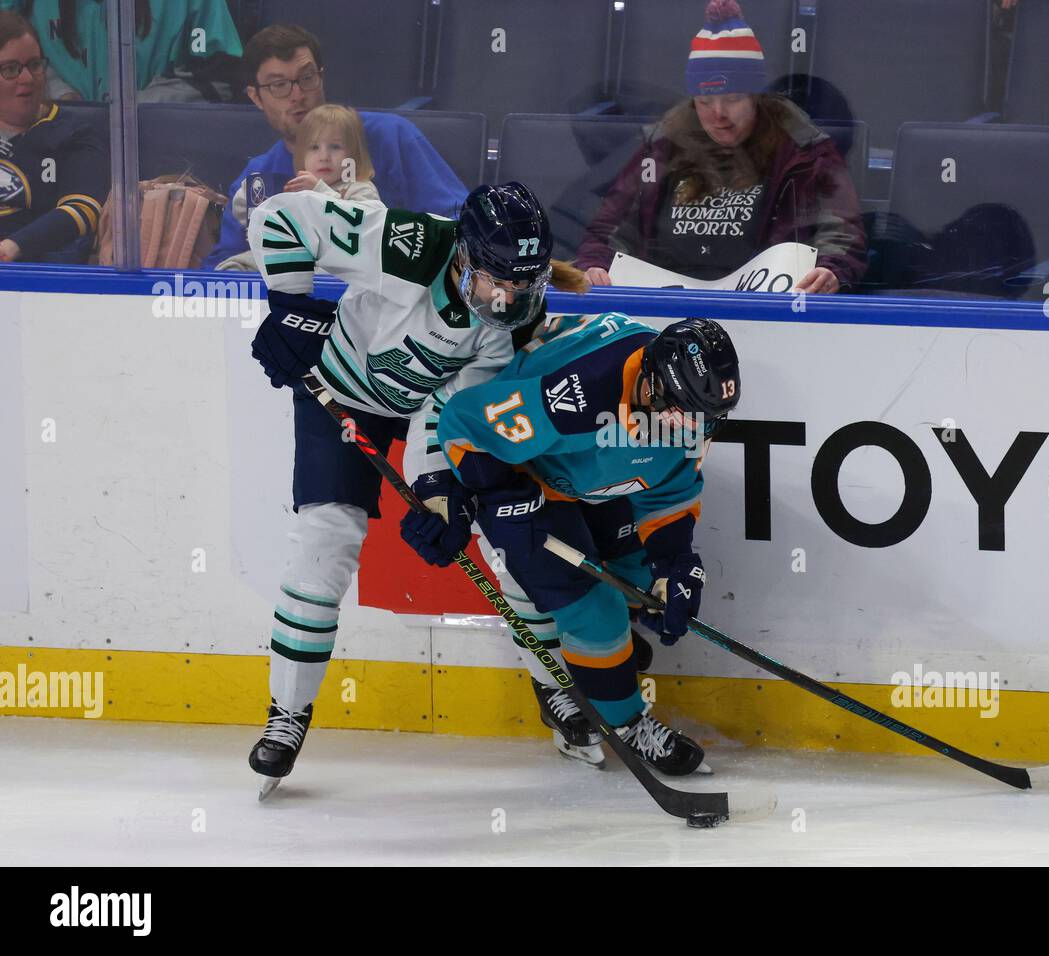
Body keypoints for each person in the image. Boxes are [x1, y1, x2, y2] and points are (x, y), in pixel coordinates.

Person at [243, 181, 588, 793]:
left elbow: (454, 408)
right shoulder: (411, 244)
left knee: (508, 533)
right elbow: (281, 217)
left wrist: (438, 492)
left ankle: (556, 686)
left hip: (427, 407)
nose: (507, 299)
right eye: (497, 282)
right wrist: (289, 308)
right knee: (323, 542)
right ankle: (287, 712)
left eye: (523, 284)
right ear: (464, 257)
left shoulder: (514, 319)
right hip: (338, 391)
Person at [403, 314, 742, 776]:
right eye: (682, 413)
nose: (692, 429)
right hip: (513, 467)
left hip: (575, 472)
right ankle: (624, 722)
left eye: (704, 417)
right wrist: (499, 492)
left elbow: (666, 496)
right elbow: (464, 423)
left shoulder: (687, 413)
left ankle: (597, 665)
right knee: (594, 608)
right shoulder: (579, 394)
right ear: (652, 385)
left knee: (641, 582)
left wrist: (674, 562)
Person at [575, 0, 865, 293]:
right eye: (705, 101)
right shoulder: (662, 148)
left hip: (762, 306)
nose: (718, 114)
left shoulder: (803, 151)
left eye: (732, 99)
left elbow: (841, 231)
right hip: (664, 304)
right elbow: (610, 227)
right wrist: (595, 265)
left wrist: (831, 269)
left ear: (756, 97)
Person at [203, 23, 465, 271]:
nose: (298, 95)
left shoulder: (391, 136)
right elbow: (224, 271)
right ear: (256, 97)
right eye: (279, 85)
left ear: (321, 77)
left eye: (307, 78)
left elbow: (458, 224)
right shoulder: (257, 178)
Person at [215, 103, 379, 272]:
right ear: (301, 155)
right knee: (234, 266)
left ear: (354, 155)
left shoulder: (360, 188)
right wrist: (249, 199)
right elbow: (257, 226)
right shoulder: (296, 188)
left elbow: (363, 228)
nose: (324, 156)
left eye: (335, 147)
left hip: (337, 265)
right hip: (289, 258)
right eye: (314, 147)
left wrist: (319, 191)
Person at [0, 10, 104, 263]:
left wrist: (11, 247)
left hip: (39, 270)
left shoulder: (74, 133)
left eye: (34, 65)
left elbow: (84, 209)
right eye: (11, 69)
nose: (27, 78)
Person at [0, 0, 243, 102]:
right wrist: (58, 92)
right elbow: (7, 47)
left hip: (161, 141)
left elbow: (222, 74)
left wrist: (136, 106)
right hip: (56, 138)